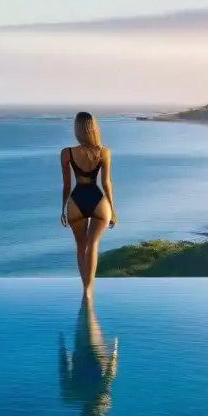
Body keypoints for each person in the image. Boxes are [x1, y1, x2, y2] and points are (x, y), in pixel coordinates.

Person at [60, 111, 116, 298]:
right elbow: (106, 182)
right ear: (94, 128)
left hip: (76, 201)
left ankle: (84, 289)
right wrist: (113, 210)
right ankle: (89, 291)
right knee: (93, 244)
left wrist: (62, 209)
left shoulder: (67, 153)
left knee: (81, 246)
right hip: (98, 201)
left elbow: (67, 185)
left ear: (77, 129)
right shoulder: (104, 152)